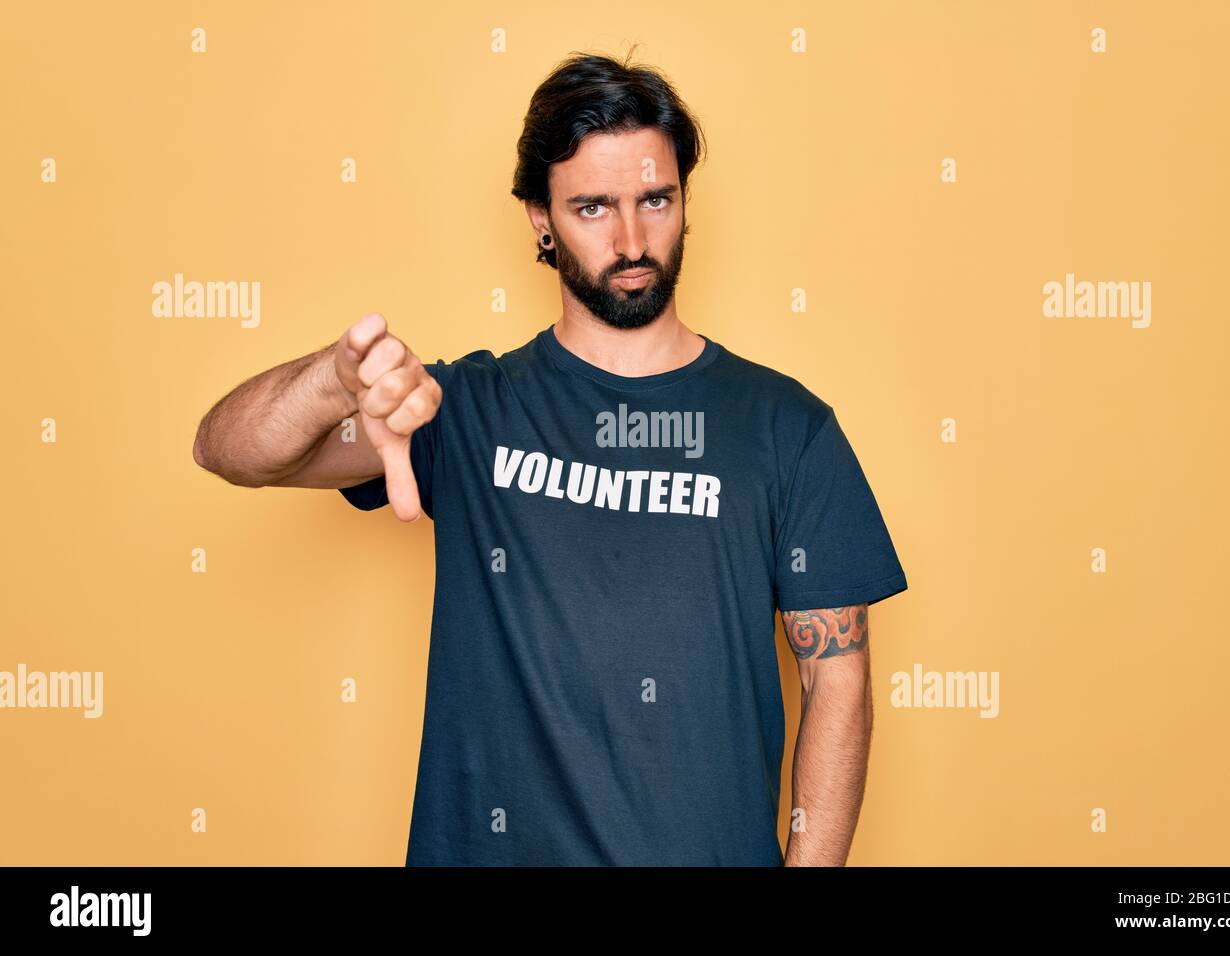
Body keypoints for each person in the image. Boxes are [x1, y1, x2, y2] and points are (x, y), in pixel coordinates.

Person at [192, 50, 908, 866]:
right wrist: (334, 380)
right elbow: (228, 450)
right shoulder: (456, 410)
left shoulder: (787, 427)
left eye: (655, 200)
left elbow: (836, 681)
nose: (633, 239)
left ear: (684, 199)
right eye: (593, 207)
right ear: (541, 217)